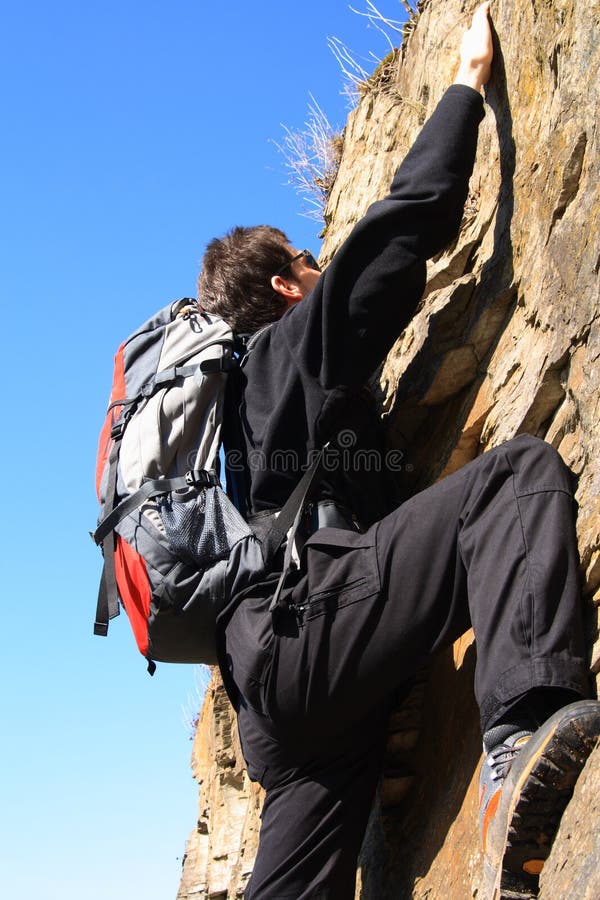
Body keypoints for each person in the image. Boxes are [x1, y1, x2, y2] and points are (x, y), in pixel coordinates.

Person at [198, 5, 600, 898]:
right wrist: (465, 83)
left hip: (271, 700)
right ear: (284, 284)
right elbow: (399, 230)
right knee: (518, 477)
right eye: (310, 259)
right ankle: (520, 745)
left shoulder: (231, 427)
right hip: (317, 629)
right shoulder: (287, 349)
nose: (318, 267)